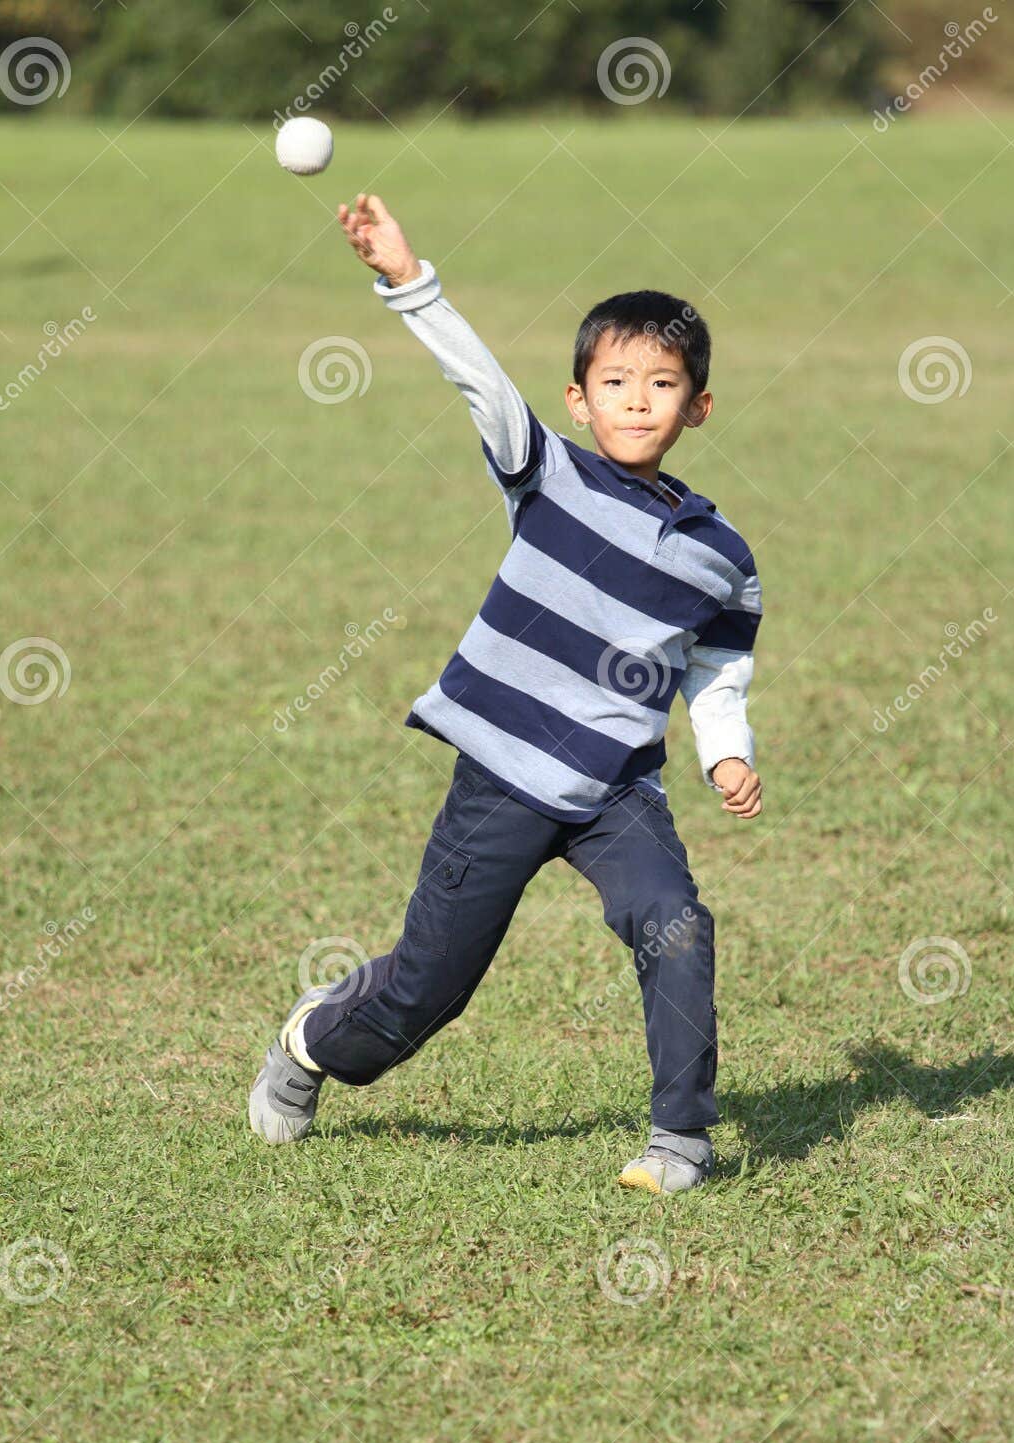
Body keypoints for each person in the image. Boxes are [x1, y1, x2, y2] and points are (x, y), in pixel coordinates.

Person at [250, 193, 763, 1195]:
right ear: (577, 399)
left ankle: (680, 1139)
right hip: (501, 779)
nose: (636, 401)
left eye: (661, 384)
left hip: (616, 791)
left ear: (696, 407)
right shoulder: (546, 477)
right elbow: (478, 379)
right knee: (423, 994)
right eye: (614, 382)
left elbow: (715, 670)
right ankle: (314, 1041)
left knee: (675, 923)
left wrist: (726, 752)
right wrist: (409, 279)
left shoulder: (722, 558)